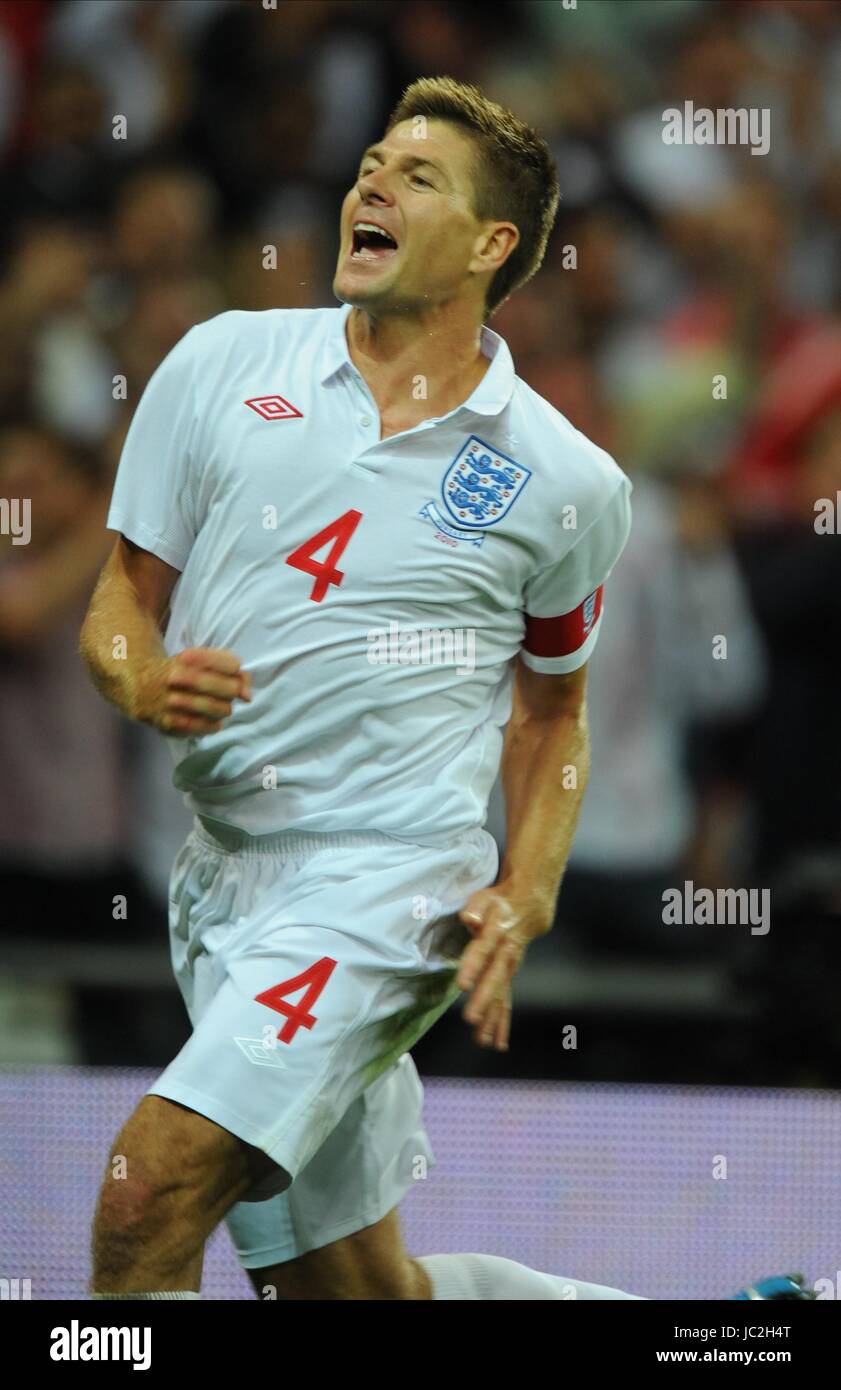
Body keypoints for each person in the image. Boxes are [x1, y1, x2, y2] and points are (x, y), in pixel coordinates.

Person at [78, 76, 798, 1303]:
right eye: (372, 163)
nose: (372, 183)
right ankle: (713, 1335)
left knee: (149, 1191)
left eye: (418, 179)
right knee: (347, 1290)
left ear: (490, 244)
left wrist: (524, 891)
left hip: (390, 879)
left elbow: (553, 711)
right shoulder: (219, 361)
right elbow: (120, 604)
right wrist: (143, 682)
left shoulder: (563, 480)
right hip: (222, 874)